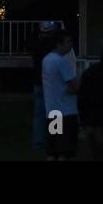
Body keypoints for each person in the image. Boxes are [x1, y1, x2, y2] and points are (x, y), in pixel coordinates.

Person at [40, 33, 81, 160]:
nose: (71, 45)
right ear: (59, 44)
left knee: (53, 151)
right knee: (65, 151)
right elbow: (76, 86)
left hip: (52, 112)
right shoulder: (61, 61)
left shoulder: (46, 60)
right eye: (68, 42)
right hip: (66, 113)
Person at [29, 22, 59, 151]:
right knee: (55, 113)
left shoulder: (36, 46)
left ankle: (38, 142)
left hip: (38, 83)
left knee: (39, 115)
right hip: (52, 85)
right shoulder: (54, 48)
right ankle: (55, 141)